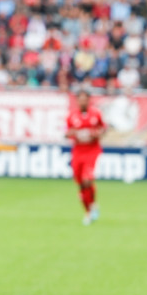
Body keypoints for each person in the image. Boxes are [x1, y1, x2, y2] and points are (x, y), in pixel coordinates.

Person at [65, 89, 106, 226]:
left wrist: (96, 134)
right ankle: (90, 208)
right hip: (78, 151)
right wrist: (73, 133)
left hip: (92, 150)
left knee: (87, 179)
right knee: (81, 184)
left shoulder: (96, 114)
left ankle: (90, 212)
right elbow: (67, 132)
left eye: (85, 99)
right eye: (80, 99)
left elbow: (103, 129)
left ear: (89, 100)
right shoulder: (72, 116)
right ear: (77, 100)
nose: (82, 101)